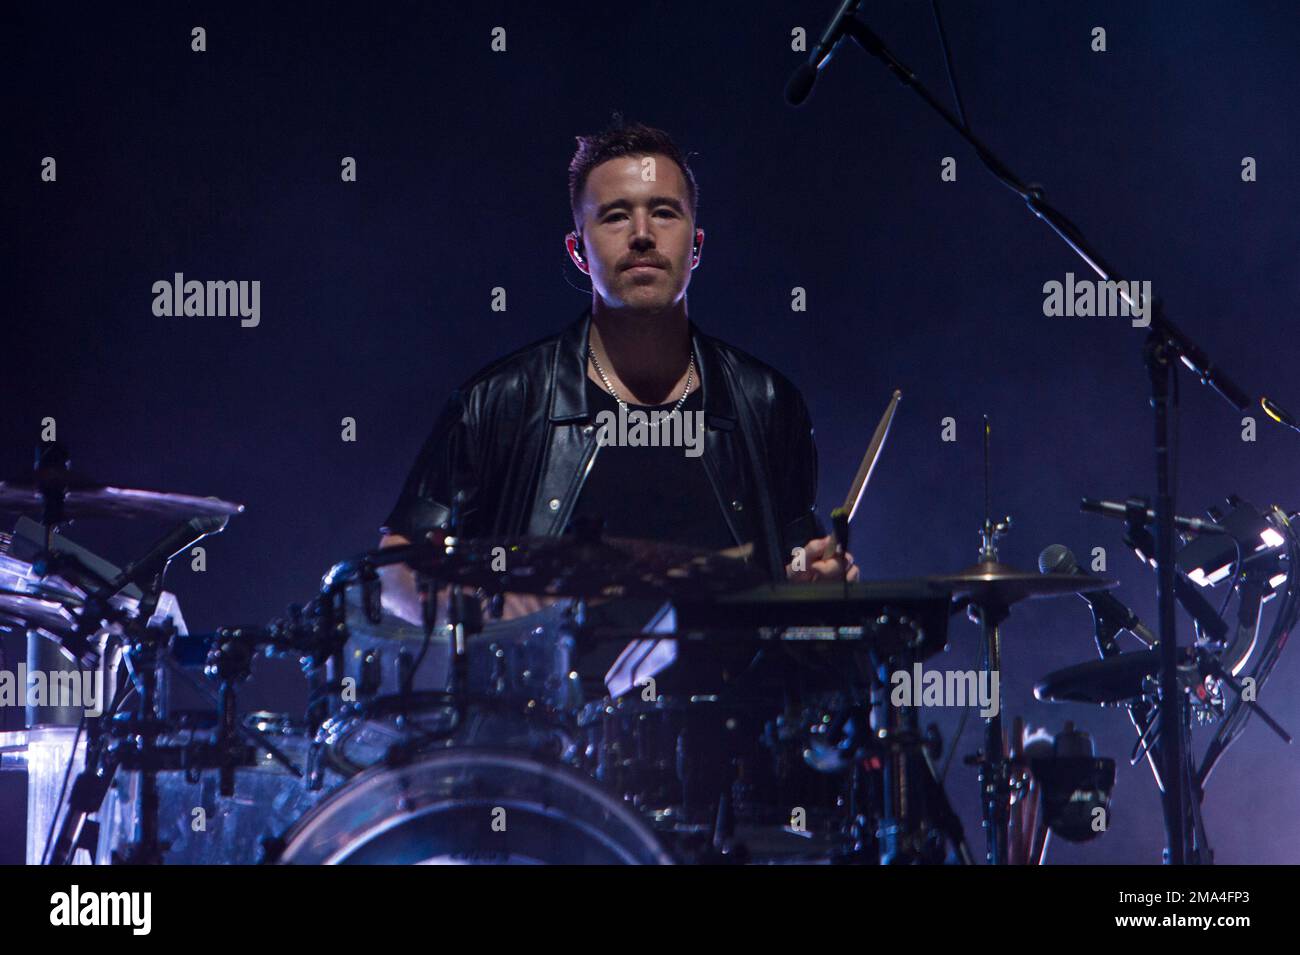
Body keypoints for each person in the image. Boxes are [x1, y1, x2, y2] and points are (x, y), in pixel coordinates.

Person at [378, 119, 856, 636]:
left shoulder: (765, 401)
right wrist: (497, 629)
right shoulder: (500, 400)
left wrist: (817, 584)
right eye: (615, 216)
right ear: (578, 251)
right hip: (553, 709)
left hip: (730, 707)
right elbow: (395, 569)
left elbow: (801, 568)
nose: (643, 234)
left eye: (664, 212)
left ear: (696, 245)